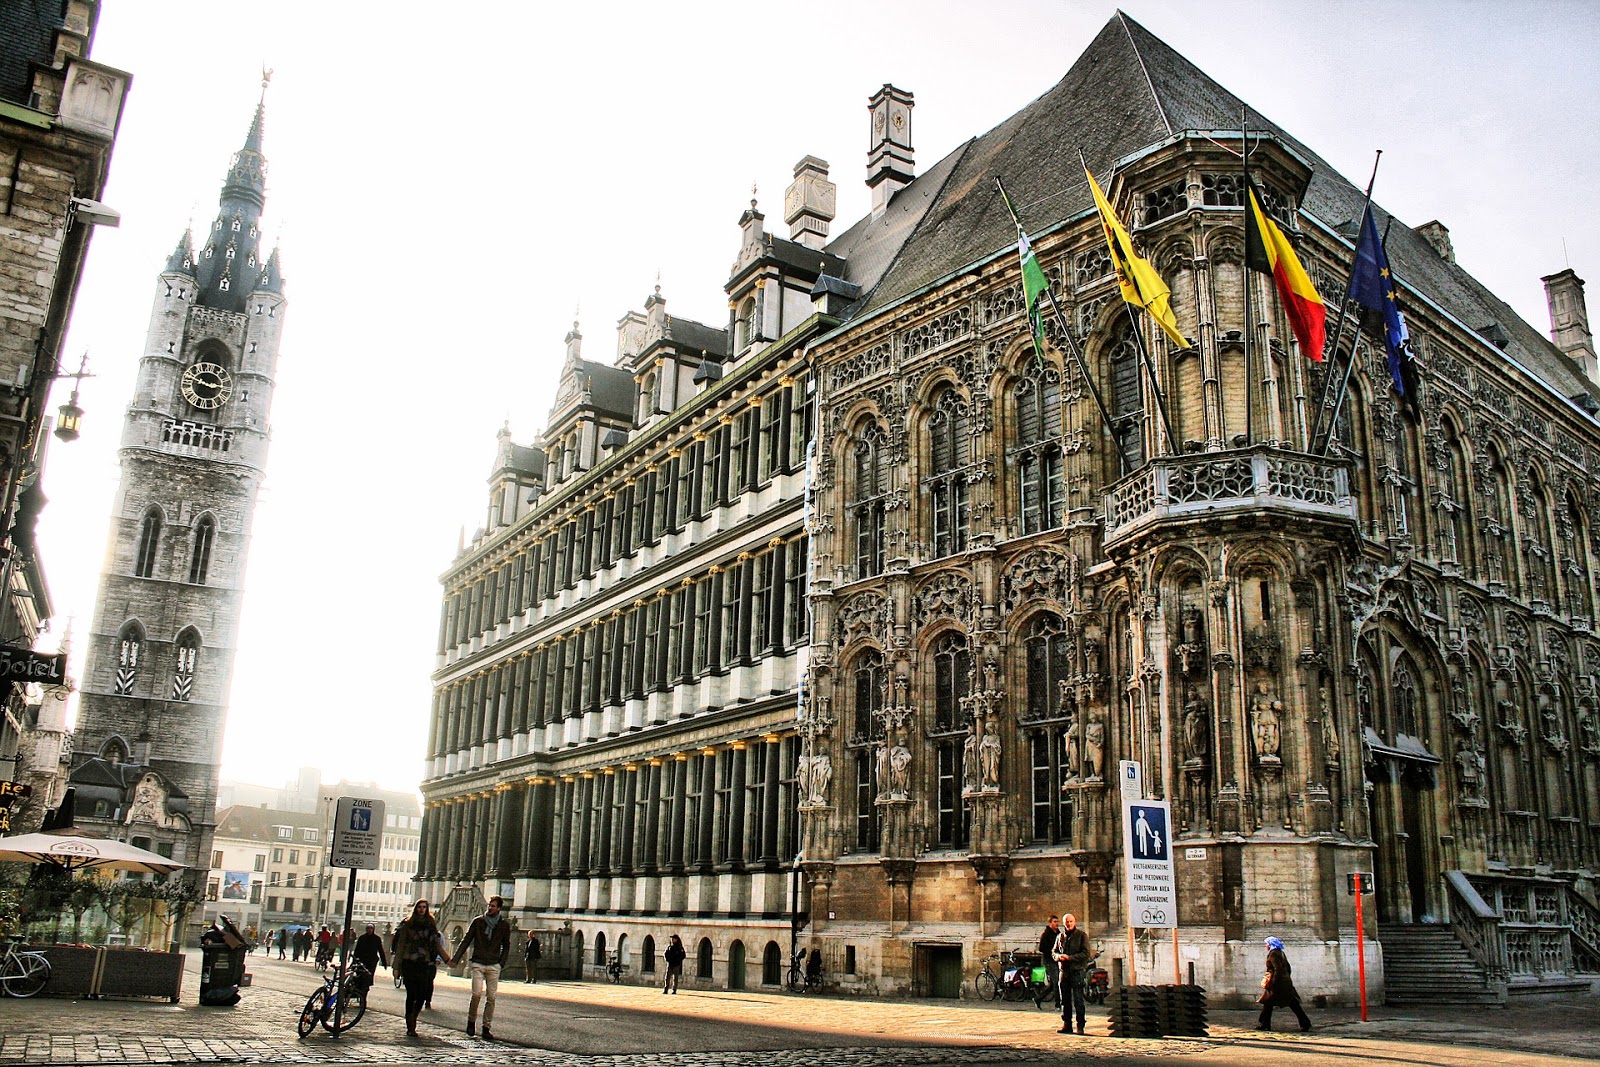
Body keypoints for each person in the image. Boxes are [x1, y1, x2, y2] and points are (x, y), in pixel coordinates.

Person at [450, 895, 511, 1040]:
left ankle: (486, 1027)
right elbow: (466, 940)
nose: (490, 908)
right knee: (476, 994)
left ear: (499, 908)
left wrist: (501, 963)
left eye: (493, 906)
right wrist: (455, 959)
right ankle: (471, 1021)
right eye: (489, 905)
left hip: (493, 964)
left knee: (491, 997)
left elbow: (506, 945)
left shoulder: (503, 925)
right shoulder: (478, 922)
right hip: (478, 962)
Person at [394, 900, 449, 1037]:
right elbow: (401, 946)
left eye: (424, 907)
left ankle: (414, 1016)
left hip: (424, 963)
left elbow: (437, 944)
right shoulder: (408, 925)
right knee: (411, 994)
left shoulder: (431, 925)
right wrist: (396, 967)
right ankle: (410, 1024)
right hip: (409, 962)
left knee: (422, 995)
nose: (421, 909)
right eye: (419, 907)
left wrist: (448, 959)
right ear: (415, 909)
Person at [1257, 936, 1312, 1032]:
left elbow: (1277, 969)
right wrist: (1286, 978)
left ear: (1270, 945)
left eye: (1267, 944)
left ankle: (1265, 1024)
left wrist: (1274, 982)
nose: (1266, 946)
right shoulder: (1281, 953)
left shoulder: (1273, 954)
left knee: (1269, 1003)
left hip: (1278, 984)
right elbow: (1288, 968)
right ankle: (1305, 1023)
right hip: (1285, 983)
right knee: (1291, 1003)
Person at [1052, 912, 1094, 1036]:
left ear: (1074, 922)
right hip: (1064, 971)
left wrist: (1070, 958)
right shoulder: (1060, 936)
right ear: (1063, 924)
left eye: (1071, 922)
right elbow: (1053, 952)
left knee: (1078, 999)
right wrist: (1058, 957)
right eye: (1067, 922)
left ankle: (1080, 1025)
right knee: (1064, 999)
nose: (1069, 924)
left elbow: (1086, 953)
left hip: (1077, 971)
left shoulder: (1081, 936)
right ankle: (1067, 1024)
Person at [352, 922, 389, 992]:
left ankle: (365, 991)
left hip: (371, 962)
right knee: (360, 978)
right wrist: (354, 961)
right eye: (368, 928)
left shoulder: (377, 939)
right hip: (362, 961)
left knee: (368, 978)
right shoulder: (362, 938)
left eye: (371, 928)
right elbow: (357, 950)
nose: (369, 930)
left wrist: (384, 962)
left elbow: (381, 950)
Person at [1037, 915, 1062, 1008]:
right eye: (1054, 922)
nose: (1057, 924)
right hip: (1049, 961)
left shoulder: (1058, 933)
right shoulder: (1046, 934)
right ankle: (1058, 1004)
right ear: (1050, 923)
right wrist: (1051, 952)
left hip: (1057, 960)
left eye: (1057, 922)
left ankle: (1038, 998)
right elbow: (1041, 948)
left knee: (1054, 984)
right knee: (1056, 982)